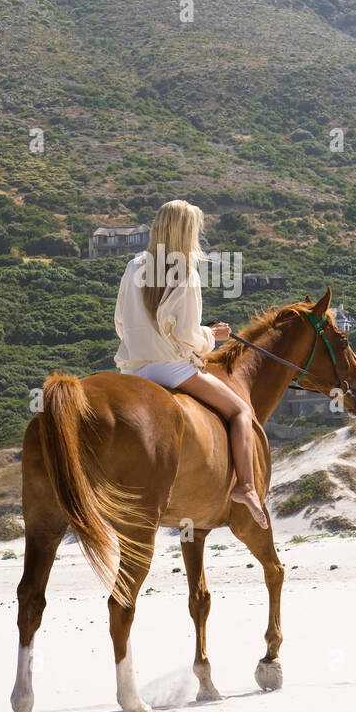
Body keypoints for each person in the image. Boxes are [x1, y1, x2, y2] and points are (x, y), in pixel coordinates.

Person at [114, 199, 267, 528]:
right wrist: (212, 337)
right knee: (240, 411)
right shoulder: (186, 273)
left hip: (132, 370)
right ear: (187, 232)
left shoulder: (133, 266)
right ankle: (246, 487)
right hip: (170, 368)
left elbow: (120, 324)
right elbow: (186, 337)